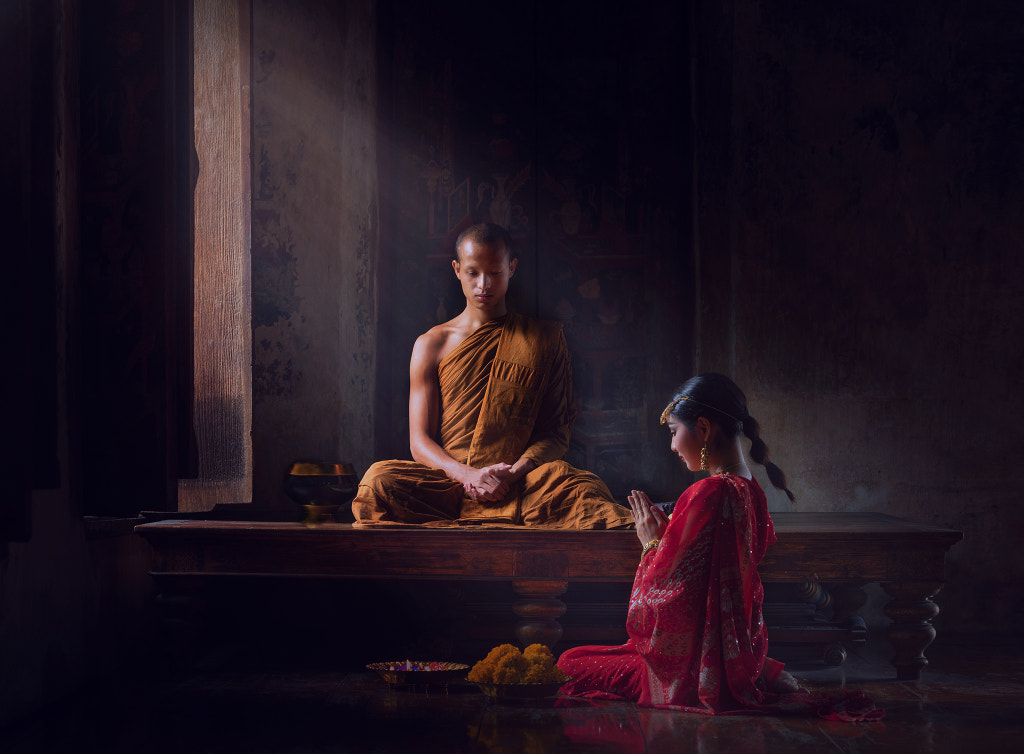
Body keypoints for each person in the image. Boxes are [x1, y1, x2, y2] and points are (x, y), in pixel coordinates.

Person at [556, 373, 882, 720]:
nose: (672, 446)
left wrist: (651, 543)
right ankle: (753, 669)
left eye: (673, 432)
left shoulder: (707, 493)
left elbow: (667, 600)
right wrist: (672, 537)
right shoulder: (751, 490)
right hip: (732, 649)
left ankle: (741, 675)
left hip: (688, 668)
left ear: (704, 428)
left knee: (567, 664)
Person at [351, 222, 632, 529]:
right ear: (457, 269)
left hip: (521, 484)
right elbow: (419, 441)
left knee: (580, 490)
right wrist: (468, 474)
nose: (483, 284)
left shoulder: (542, 339)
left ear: (511, 268)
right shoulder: (432, 343)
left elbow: (555, 433)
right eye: (473, 272)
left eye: (495, 272)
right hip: (449, 486)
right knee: (377, 483)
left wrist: (512, 473)